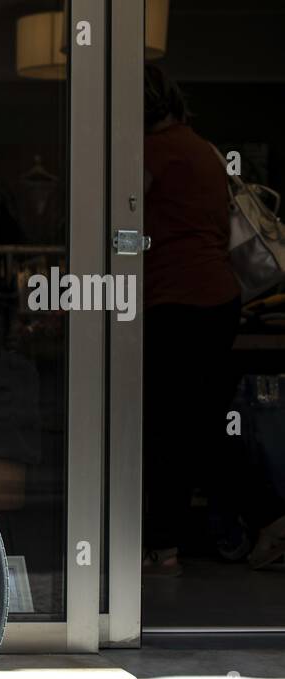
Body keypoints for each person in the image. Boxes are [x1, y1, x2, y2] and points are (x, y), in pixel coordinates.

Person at [141, 65, 243, 576]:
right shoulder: (204, 149)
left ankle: (162, 543)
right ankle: (243, 526)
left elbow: (118, 221)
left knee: (164, 429)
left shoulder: (148, 155)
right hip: (219, 299)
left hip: (174, 302)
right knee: (199, 425)